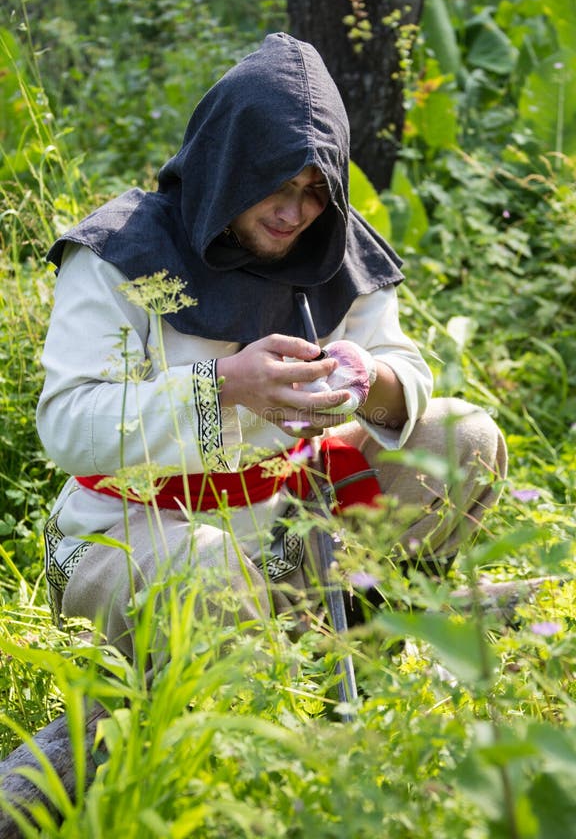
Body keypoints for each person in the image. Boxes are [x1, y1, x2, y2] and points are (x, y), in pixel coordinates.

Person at [37, 33, 507, 663]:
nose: (294, 213)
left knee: (463, 438)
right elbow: (66, 427)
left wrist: (364, 378)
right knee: (210, 575)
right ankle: (233, 674)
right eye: (277, 184)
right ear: (231, 165)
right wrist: (225, 386)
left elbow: (404, 373)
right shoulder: (119, 252)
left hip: (288, 518)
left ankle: (364, 645)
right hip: (130, 531)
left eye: (316, 189)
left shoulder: (332, 244)